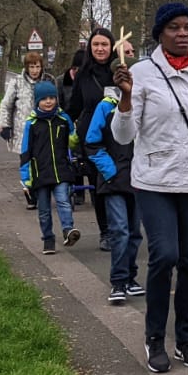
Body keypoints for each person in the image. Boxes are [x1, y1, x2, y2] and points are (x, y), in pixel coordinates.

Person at [112, 2, 188, 374]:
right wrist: (127, 98)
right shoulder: (142, 73)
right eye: (174, 27)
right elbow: (123, 134)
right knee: (165, 256)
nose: (183, 33)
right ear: (159, 34)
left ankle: (185, 339)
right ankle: (154, 339)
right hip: (155, 179)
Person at [85, 85, 145, 305]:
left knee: (134, 232)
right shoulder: (105, 106)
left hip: (138, 179)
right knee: (119, 230)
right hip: (113, 180)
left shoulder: (143, 104)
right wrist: (109, 171)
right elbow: (92, 142)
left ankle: (130, 277)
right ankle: (118, 281)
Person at [17, 80, 82, 255]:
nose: (48, 102)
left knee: (63, 200)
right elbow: (25, 151)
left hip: (60, 169)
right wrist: (26, 177)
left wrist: (76, 136)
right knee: (44, 210)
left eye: (52, 98)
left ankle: (68, 229)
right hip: (40, 173)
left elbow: (72, 141)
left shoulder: (63, 119)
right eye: (44, 98)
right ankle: (48, 239)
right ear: (37, 101)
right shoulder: (32, 124)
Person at [69, 28, 117, 249]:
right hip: (91, 136)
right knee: (98, 184)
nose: (100, 49)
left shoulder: (119, 71)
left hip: (118, 133)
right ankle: (105, 231)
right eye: (96, 44)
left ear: (111, 47)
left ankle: (121, 227)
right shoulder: (83, 74)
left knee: (117, 180)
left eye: (104, 44)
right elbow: (75, 106)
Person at [0, 52, 55, 210]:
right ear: (26, 67)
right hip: (23, 130)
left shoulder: (48, 80)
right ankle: (30, 194)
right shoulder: (17, 82)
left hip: (44, 129)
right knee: (26, 164)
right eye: (32, 67)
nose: (35, 70)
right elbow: (6, 105)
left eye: (37, 66)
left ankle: (42, 191)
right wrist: (5, 125)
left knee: (44, 162)